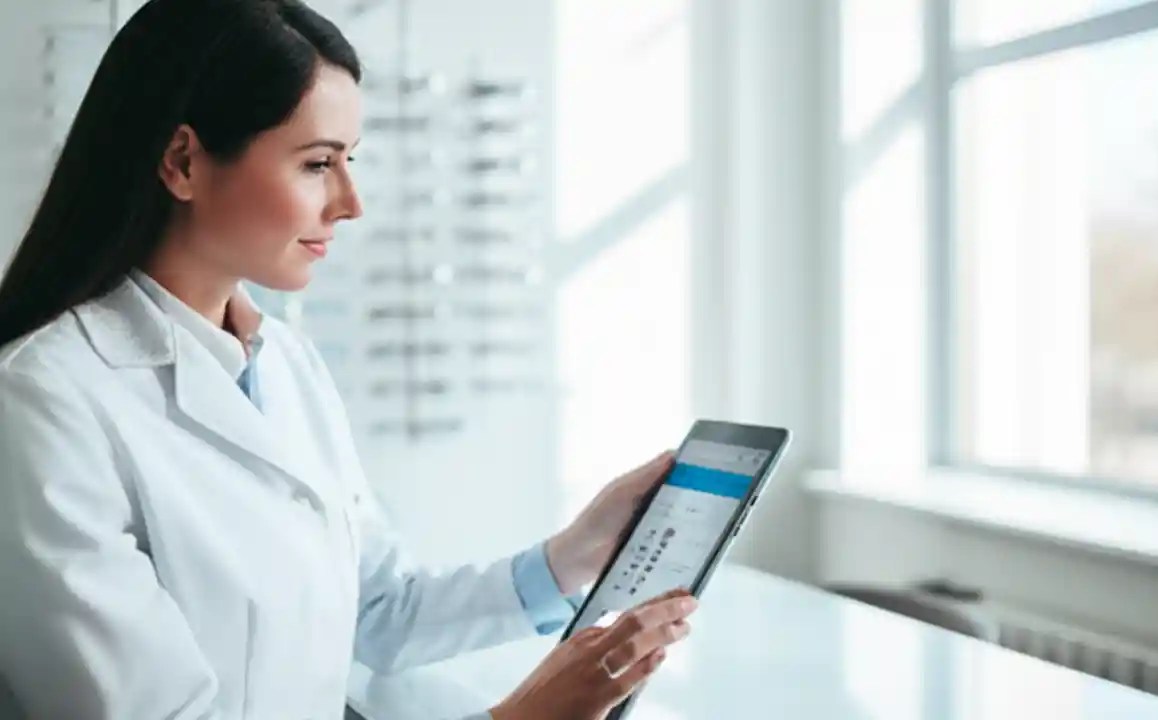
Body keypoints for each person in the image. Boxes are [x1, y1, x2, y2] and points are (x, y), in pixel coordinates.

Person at [0, 1, 696, 718]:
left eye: (348, 160)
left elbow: (380, 607)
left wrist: (576, 554)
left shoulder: (286, 364)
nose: (350, 202)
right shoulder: (41, 400)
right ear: (183, 162)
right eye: (317, 163)